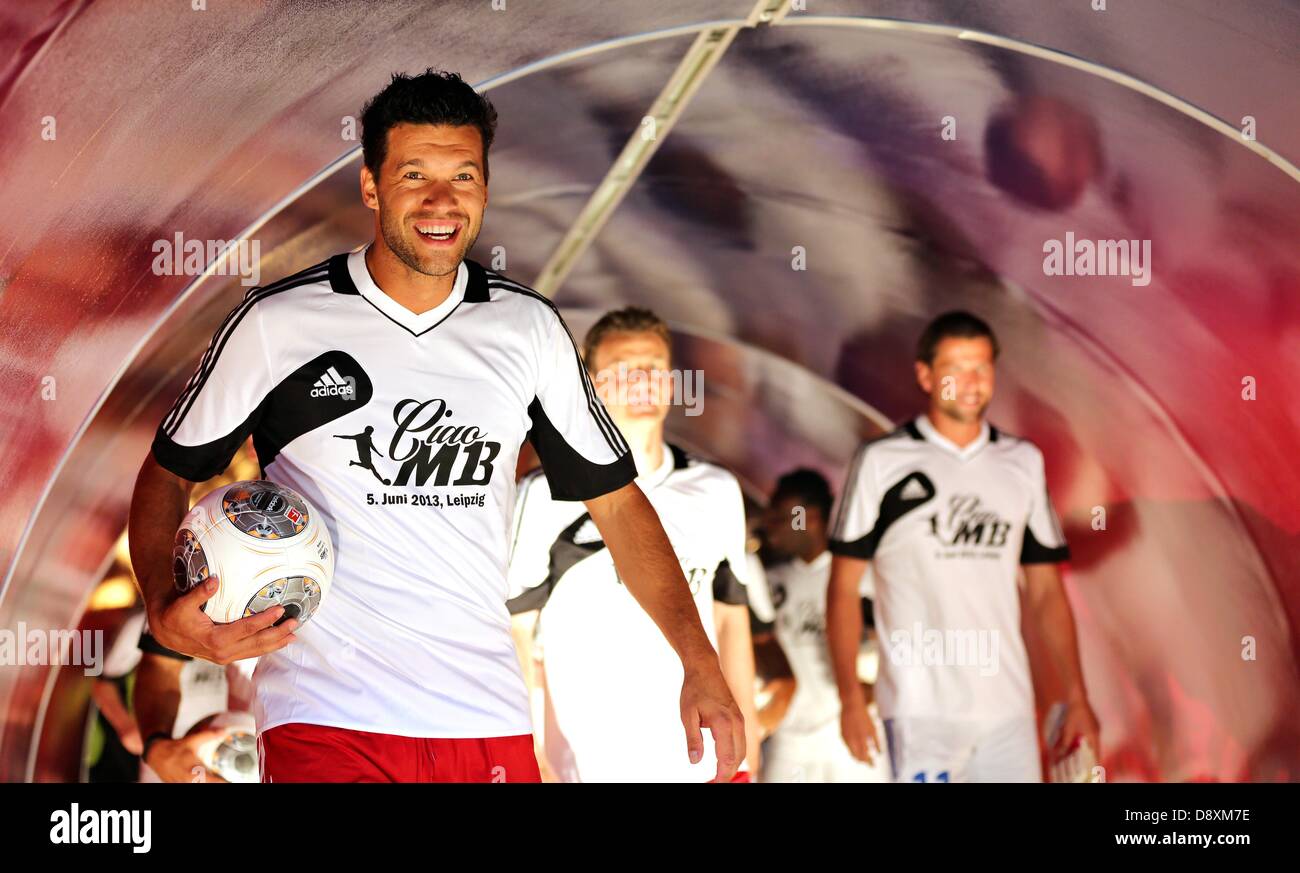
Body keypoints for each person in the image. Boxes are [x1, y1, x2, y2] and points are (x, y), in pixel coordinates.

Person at [128, 70, 744, 783]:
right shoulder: (278, 324)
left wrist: (700, 661)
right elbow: (170, 470)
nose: (441, 201)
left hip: (487, 719)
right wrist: (161, 605)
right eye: (414, 173)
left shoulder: (529, 330)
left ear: (485, 188)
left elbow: (618, 503)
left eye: (463, 176)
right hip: (325, 716)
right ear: (370, 186)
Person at [827, 311, 1099, 782]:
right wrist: (851, 697)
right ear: (926, 375)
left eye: (982, 367)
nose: (971, 382)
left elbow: (1046, 592)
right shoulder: (882, 462)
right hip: (919, 711)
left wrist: (1077, 697)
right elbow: (843, 588)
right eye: (955, 368)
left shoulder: (1022, 463)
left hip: (1007, 710)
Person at [506, 307, 760, 782]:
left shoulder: (718, 489)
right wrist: (532, 757)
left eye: (655, 369)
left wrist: (749, 753)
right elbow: (517, 633)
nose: (642, 381)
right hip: (593, 768)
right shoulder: (544, 495)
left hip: (703, 767)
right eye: (624, 370)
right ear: (594, 385)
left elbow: (730, 619)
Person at [759, 469, 888, 783]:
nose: (771, 527)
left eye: (781, 517)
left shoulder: (862, 579)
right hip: (789, 738)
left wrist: (875, 690)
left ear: (810, 518)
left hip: (849, 730)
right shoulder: (770, 582)